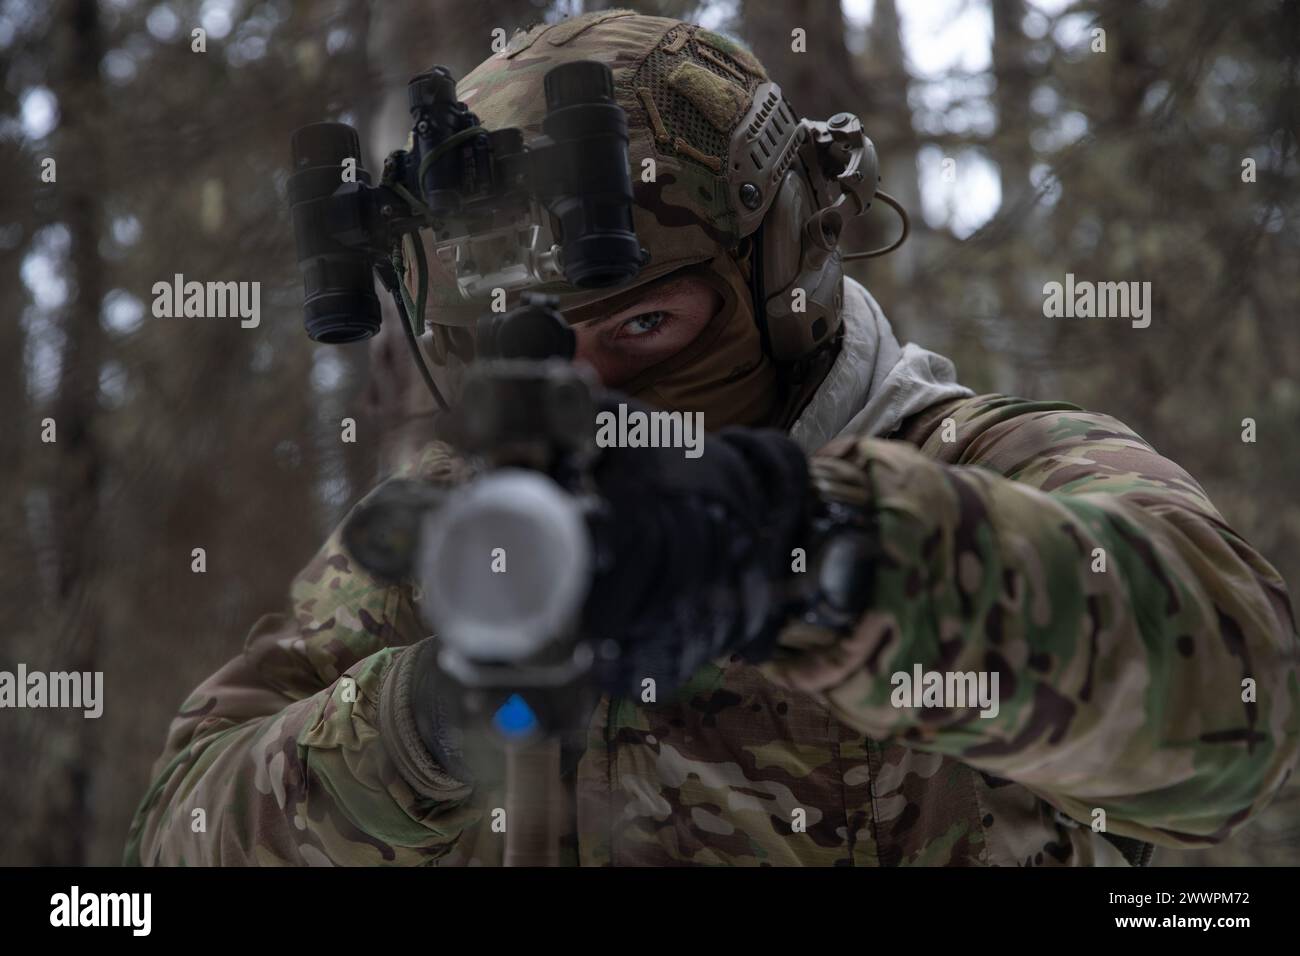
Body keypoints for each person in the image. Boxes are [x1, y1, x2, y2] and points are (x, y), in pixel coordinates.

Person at [126, 10, 1298, 867]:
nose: (587, 390)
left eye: (644, 322)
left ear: (782, 276)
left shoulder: (985, 465)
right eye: (522, 347)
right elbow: (175, 836)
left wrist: (804, 555)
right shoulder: (455, 536)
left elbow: (1246, 711)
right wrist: (421, 721)